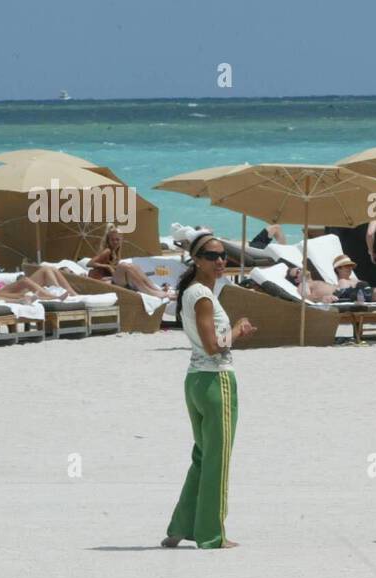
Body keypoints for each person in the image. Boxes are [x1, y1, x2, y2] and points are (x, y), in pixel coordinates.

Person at [163, 232, 256, 550]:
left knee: (203, 456)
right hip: (216, 381)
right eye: (212, 256)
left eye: (223, 256)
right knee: (217, 459)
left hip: (196, 381)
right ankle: (211, 534)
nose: (220, 261)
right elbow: (214, 346)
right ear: (197, 260)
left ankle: (180, 526)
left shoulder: (191, 292)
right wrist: (238, 330)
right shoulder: (202, 295)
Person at [88, 227, 173, 299]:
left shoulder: (116, 252)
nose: (115, 242)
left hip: (111, 280)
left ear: (121, 240)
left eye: (117, 240)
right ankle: (152, 292)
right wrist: (107, 266)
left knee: (133, 266)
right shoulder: (107, 251)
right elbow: (89, 263)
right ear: (108, 241)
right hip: (102, 283)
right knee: (124, 265)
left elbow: (112, 273)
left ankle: (156, 290)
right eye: (112, 240)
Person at [0, 262, 74, 300]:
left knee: (49, 269)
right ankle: (54, 297)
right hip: (14, 293)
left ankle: (72, 293)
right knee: (25, 280)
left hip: (19, 290)